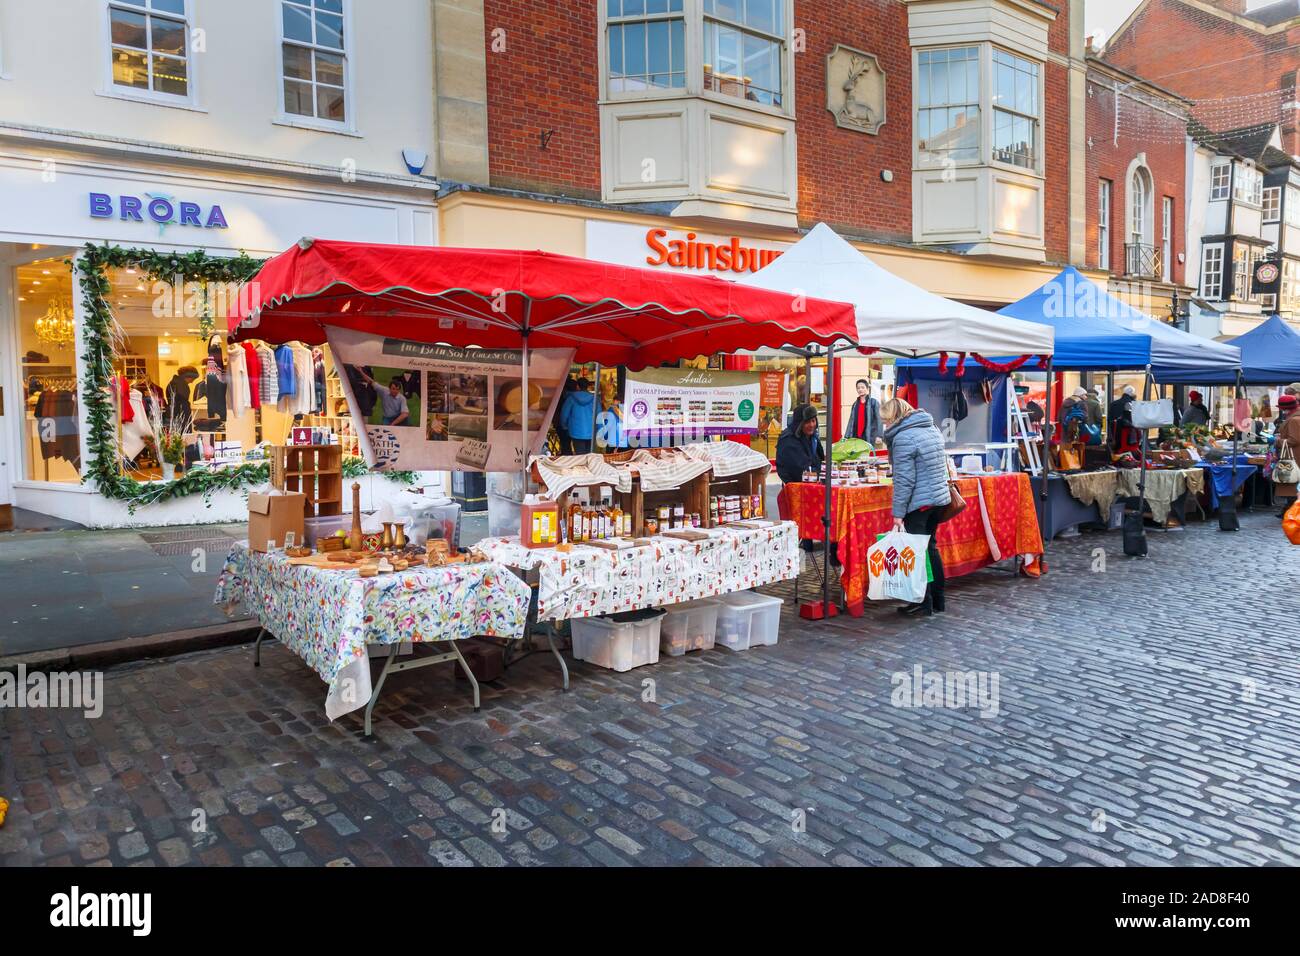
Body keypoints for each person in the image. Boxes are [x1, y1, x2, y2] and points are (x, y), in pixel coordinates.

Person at [881, 398, 951, 616]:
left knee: (918, 553)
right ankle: (938, 599)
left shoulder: (903, 438)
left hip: (919, 503)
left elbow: (905, 480)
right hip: (937, 499)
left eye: (887, 419)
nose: (885, 424)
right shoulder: (931, 428)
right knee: (931, 548)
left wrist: (898, 514)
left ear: (895, 417)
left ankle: (923, 602)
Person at [775, 403, 823, 484]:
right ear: (799, 424)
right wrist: (822, 473)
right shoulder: (788, 440)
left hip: (812, 484)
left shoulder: (812, 437)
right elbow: (801, 471)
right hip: (796, 488)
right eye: (807, 422)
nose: (811, 425)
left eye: (813, 421)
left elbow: (819, 461)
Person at [1273, 393, 1300, 516]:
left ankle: (1291, 512)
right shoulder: (1295, 417)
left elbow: (1294, 440)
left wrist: (1277, 441)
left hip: (1294, 457)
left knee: (1292, 484)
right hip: (1294, 456)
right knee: (1293, 485)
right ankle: (1289, 510)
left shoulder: (1294, 419)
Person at [559, 376, 596, 453]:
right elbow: (599, 415)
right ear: (588, 386)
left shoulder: (570, 398)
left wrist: (564, 426)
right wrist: (599, 430)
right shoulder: (595, 399)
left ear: (577, 386)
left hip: (576, 432)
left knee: (580, 455)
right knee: (590, 455)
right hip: (591, 431)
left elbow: (564, 415)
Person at [846, 379, 883, 446]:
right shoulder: (855, 404)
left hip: (869, 436)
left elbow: (879, 419)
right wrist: (846, 436)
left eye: (862, 387)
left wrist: (879, 435)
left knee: (868, 455)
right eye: (858, 388)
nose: (860, 389)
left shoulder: (873, 402)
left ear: (867, 388)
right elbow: (851, 421)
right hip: (856, 436)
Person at [165, 366, 200, 431]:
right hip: (179, 416)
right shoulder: (181, 385)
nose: (192, 381)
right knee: (182, 438)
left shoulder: (173, 382)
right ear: (188, 376)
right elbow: (183, 402)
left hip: (172, 414)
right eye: (193, 379)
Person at [1109, 385, 1140, 453]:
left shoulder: (1114, 404)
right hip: (1129, 434)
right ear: (1132, 393)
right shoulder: (1132, 404)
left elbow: (1110, 419)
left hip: (1115, 432)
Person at [554, 377, 577, 455]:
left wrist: (562, 424)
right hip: (576, 425)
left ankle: (567, 460)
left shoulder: (561, 396)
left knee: (565, 444)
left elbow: (563, 414)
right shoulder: (575, 397)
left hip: (562, 424)